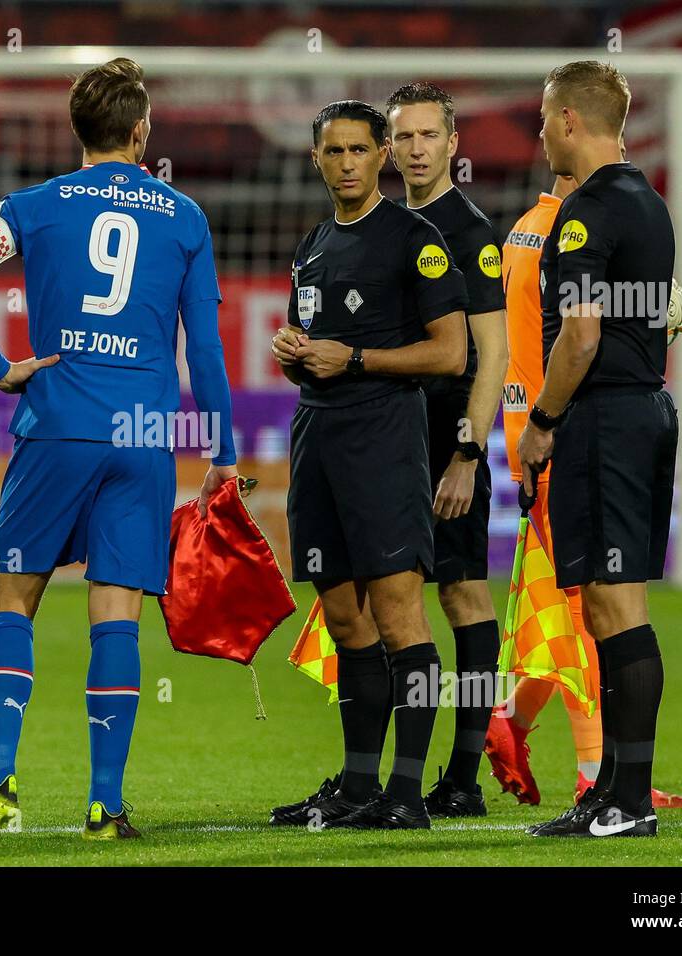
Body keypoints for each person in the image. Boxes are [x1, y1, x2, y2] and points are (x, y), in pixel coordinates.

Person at [0, 57, 237, 840]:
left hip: (56, 428)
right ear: (141, 132)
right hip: (142, 440)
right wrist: (222, 451)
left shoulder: (29, 208)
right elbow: (207, 352)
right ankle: (105, 804)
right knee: (116, 617)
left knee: (13, 600)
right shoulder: (186, 217)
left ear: (78, 130)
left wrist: (0, 370)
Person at [269, 100, 468, 831]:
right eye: (334, 151)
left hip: (384, 443)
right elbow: (315, 345)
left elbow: (451, 354)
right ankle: (357, 788)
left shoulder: (414, 239)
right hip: (317, 441)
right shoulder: (314, 245)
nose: (348, 163)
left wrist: (354, 358)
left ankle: (408, 794)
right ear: (316, 159)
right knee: (345, 619)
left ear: (381, 155)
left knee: (397, 615)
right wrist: (295, 354)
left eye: (360, 149)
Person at [489, 173, 682, 812]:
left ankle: (512, 719)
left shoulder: (526, 229)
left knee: (567, 600)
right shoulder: (572, 228)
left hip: (536, 422)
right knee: (587, 608)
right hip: (563, 427)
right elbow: (576, 337)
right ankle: (594, 768)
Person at [518, 60, 677, 837]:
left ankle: (629, 801)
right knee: (616, 607)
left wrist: (541, 419)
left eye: (546, 117)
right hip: (642, 411)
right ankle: (611, 792)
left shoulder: (585, 215)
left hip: (604, 419)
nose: (541, 131)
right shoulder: (649, 203)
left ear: (572, 121)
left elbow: (580, 334)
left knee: (616, 608)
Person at [384, 83, 509, 818]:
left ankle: (463, 775)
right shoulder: (387, 225)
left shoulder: (469, 232)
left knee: (461, 591)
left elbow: (492, 354)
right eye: (405, 136)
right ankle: (383, 774)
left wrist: (468, 451)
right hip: (390, 434)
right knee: (388, 598)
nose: (418, 148)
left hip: (446, 433)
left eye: (430, 135)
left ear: (453, 145)